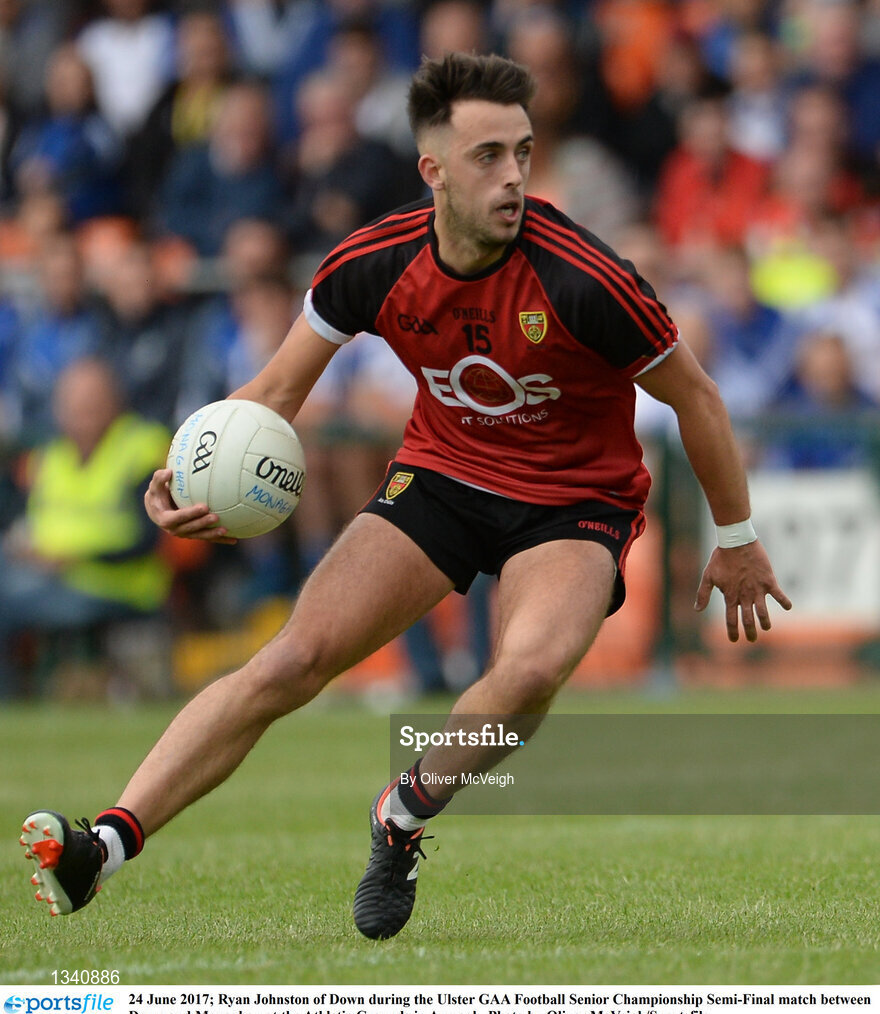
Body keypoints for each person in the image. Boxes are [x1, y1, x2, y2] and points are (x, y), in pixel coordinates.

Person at [20, 53, 790, 938]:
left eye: (523, 153)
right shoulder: (372, 263)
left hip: (575, 501)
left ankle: (403, 816)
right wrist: (180, 471)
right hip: (443, 478)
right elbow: (270, 395)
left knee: (531, 671)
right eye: (487, 157)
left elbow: (696, 394)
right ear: (433, 171)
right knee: (290, 661)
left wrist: (736, 534)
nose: (513, 178)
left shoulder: (584, 275)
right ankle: (102, 849)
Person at [0, 356, 171, 698]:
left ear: (115, 402)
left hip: (118, 584)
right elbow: (28, 520)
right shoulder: (50, 455)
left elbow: (148, 539)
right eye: (73, 405)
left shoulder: (142, 447)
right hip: (46, 578)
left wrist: (73, 559)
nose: (82, 414)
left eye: (92, 403)